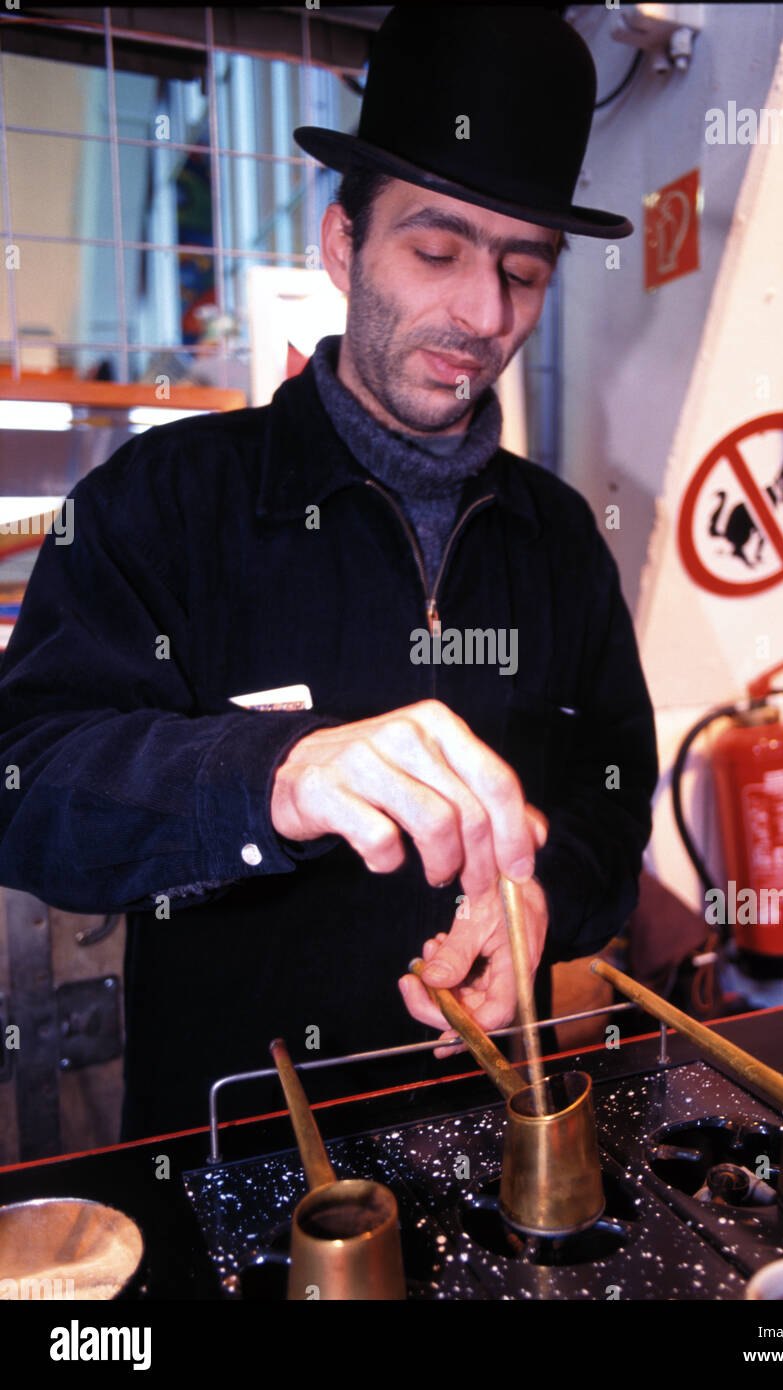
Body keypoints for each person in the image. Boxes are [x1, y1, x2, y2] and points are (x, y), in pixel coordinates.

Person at [0, 7, 657, 1139]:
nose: (482, 314)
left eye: (523, 272)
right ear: (343, 245)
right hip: (233, 1150)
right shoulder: (167, 498)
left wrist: (540, 898)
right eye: (437, 250)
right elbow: (27, 781)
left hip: (488, 1137)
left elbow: (612, 798)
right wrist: (278, 774)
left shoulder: (555, 539)